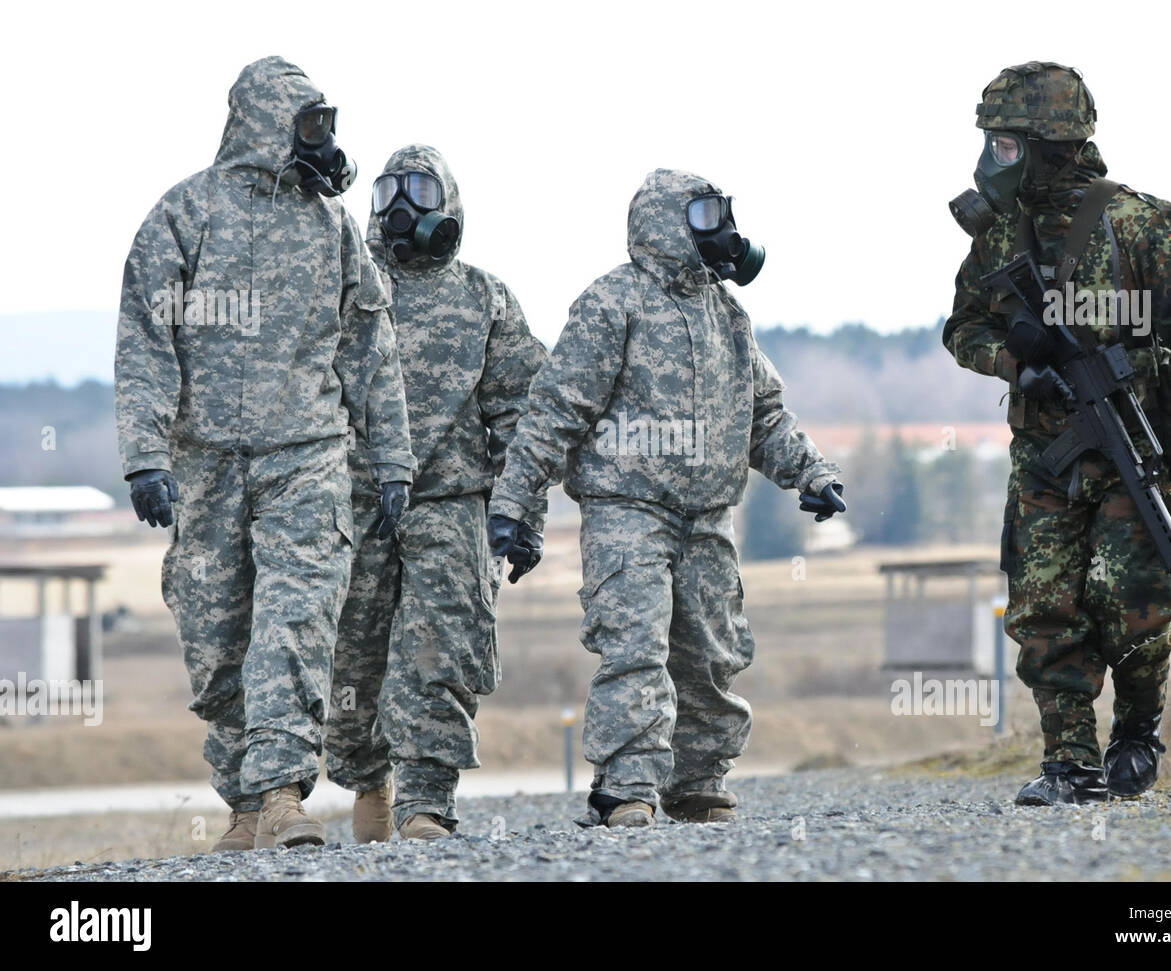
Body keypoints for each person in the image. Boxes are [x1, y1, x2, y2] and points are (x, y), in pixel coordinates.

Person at [115, 56, 414, 850]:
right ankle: (246, 803)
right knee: (216, 644)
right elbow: (145, 341)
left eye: (328, 127)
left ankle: (284, 794)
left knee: (294, 621)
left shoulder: (332, 228)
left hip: (307, 458)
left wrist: (392, 460)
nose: (323, 142)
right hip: (206, 463)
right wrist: (145, 455)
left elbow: (370, 350)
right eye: (308, 126)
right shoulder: (181, 218)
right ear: (263, 124)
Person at [488, 168, 846, 827]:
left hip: (708, 516)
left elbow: (763, 415)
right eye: (705, 214)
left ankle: (697, 781)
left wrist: (811, 474)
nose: (722, 229)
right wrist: (513, 500)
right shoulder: (610, 305)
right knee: (636, 646)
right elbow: (553, 411)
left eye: (723, 214)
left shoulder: (727, 314)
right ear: (666, 224)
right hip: (627, 514)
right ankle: (625, 785)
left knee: (711, 654)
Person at [942, 62, 1171, 804]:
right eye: (992, 144)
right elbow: (961, 328)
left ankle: (1137, 729)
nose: (992, 159)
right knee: (1043, 607)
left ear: (1053, 143)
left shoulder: (1137, 221)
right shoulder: (998, 234)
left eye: (1007, 145)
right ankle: (1068, 760)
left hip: (1129, 446)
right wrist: (1016, 361)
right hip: (1045, 451)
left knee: (1133, 602)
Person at [324, 145, 547, 842]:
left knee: (440, 650)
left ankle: (425, 802)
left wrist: (522, 511)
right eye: (390, 187)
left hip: (451, 503)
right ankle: (370, 786)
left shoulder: (485, 298)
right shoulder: (344, 286)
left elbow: (522, 410)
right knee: (348, 654)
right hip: (354, 500)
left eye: (419, 188)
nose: (401, 202)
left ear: (446, 202)